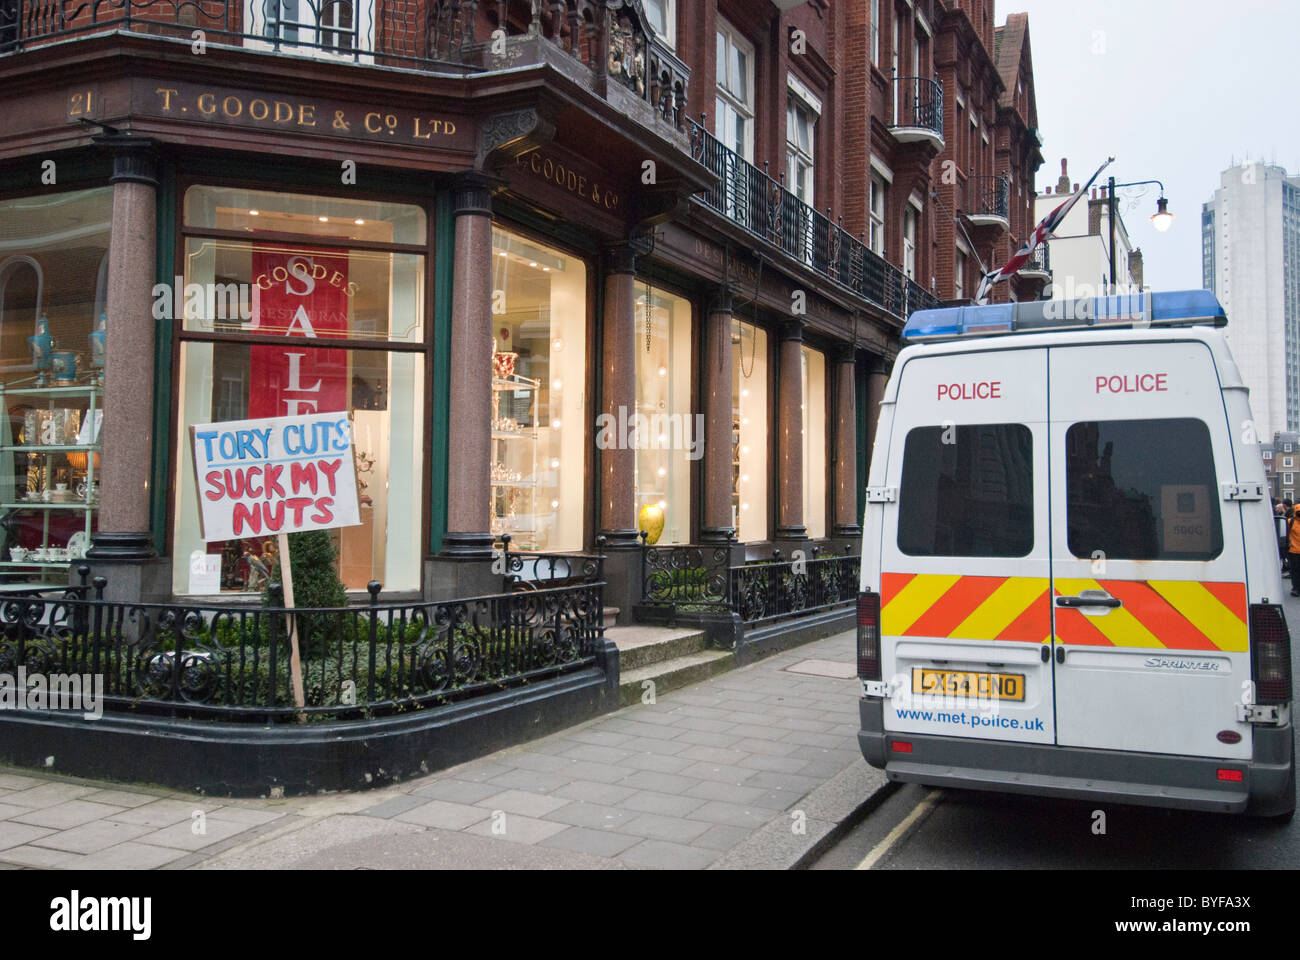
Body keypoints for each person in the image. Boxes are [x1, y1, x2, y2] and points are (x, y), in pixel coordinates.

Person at [1288, 504, 1300, 596]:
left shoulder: (1290, 521)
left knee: (1295, 571)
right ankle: (1296, 588)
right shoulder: (1290, 522)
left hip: (1294, 550)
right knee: (1295, 571)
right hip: (1294, 551)